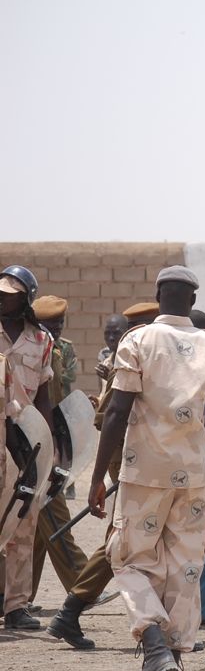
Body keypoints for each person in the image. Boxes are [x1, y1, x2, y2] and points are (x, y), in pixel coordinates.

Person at [86, 266, 205, 671]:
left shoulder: (137, 341)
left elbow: (115, 412)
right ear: (192, 300)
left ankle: (152, 645)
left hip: (143, 472)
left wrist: (96, 477)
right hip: (193, 478)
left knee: (127, 557)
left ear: (158, 296)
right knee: (183, 571)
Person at [47, 302, 158, 650]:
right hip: (132, 459)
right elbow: (106, 416)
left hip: (149, 460)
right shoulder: (132, 353)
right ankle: (73, 609)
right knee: (123, 539)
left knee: (131, 538)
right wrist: (111, 470)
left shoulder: (150, 351)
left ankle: (71, 610)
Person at [0, 265, 55, 631]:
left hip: (26, 439)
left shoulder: (42, 341)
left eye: (12, 294)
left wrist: (49, 446)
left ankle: (17, 605)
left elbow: (45, 395)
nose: (4, 299)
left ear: (26, 299)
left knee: (23, 521)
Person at [29, 295, 90, 599]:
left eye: (59, 323)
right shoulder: (42, 353)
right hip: (36, 446)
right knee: (55, 517)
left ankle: (17, 594)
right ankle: (84, 585)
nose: (54, 329)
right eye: (48, 324)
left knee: (37, 526)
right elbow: (45, 405)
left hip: (46, 441)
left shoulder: (51, 350)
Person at [96, 313, 127, 385]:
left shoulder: (132, 362)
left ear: (126, 333)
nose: (111, 338)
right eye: (107, 333)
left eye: (116, 333)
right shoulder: (105, 361)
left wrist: (111, 379)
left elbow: (133, 393)